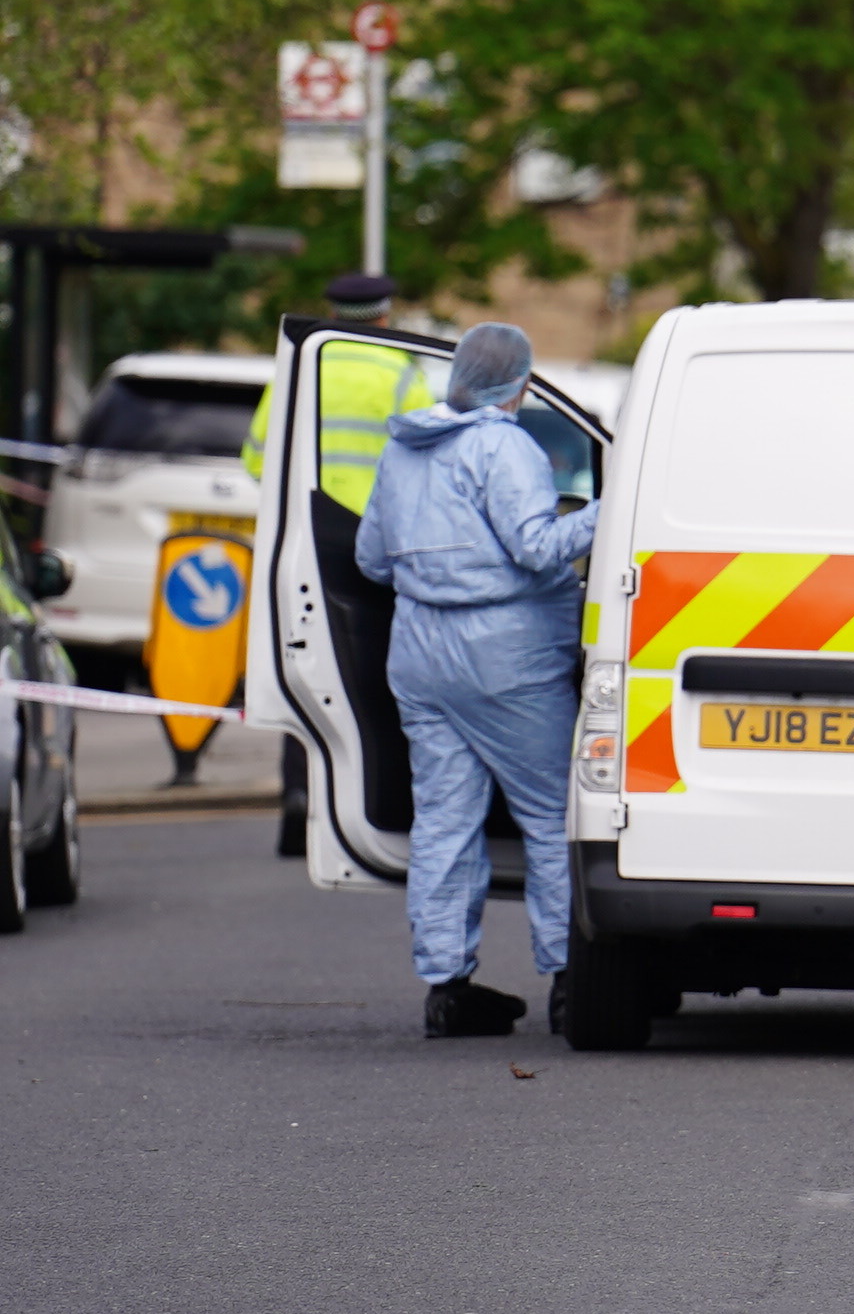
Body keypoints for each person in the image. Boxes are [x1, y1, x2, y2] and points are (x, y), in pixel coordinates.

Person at [353, 324, 597, 1038]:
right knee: (551, 817)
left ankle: (448, 987)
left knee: (446, 822)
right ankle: (566, 979)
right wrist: (613, 514)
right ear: (518, 384)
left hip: (419, 656)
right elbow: (536, 547)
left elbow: (371, 559)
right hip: (506, 658)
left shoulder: (404, 446)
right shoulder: (506, 446)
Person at [243, 273, 433, 857]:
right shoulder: (401, 371)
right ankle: (375, 800)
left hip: (304, 538)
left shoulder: (299, 370)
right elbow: (427, 463)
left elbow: (255, 460)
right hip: (376, 546)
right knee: (375, 670)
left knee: (302, 663)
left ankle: (300, 792)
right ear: (383, 316)